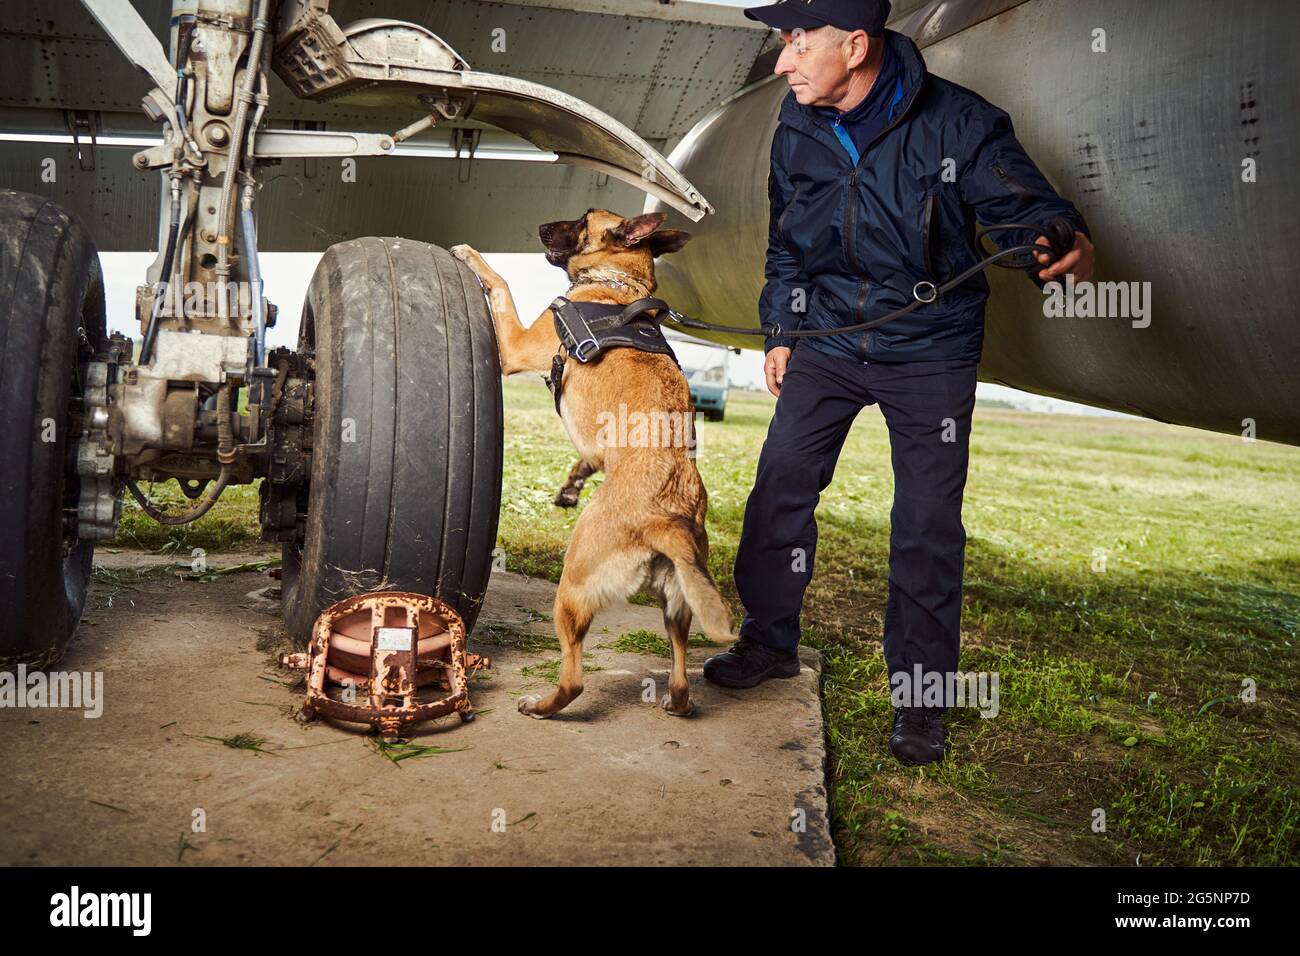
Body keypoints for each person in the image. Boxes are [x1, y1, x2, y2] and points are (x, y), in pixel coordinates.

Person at [703, 0, 1095, 765]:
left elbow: (1025, 213)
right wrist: (783, 330)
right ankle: (768, 641)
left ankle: (920, 700)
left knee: (925, 527)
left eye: (795, 44)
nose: (783, 63)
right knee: (780, 487)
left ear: (854, 45)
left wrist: (1051, 241)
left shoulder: (961, 122)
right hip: (828, 341)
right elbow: (787, 244)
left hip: (931, 347)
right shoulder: (797, 124)